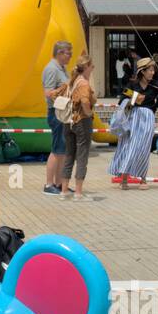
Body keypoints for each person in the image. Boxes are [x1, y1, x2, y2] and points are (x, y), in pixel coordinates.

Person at [108, 56, 158, 189]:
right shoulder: (132, 85)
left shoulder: (156, 86)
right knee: (128, 146)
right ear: (143, 71)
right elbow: (122, 102)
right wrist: (136, 98)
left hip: (148, 118)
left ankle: (143, 179)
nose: (153, 73)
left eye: (153, 70)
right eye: (150, 70)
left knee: (144, 148)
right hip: (133, 118)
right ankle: (123, 179)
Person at [60, 53, 95, 200]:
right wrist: (89, 113)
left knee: (69, 155)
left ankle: (64, 190)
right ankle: (79, 193)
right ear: (86, 67)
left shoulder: (71, 82)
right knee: (82, 156)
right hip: (82, 121)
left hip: (68, 122)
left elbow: (55, 95)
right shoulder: (84, 84)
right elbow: (85, 101)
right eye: (91, 66)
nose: (93, 68)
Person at [41, 40, 72, 193]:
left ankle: (59, 184)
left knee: (62, 150)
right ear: (59, 53)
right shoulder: (52, 69)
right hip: (56, 112)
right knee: (56, 149)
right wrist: (65, 87)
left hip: (63, 112)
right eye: (68, 53)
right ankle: (48, 184)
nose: (70, 56)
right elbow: (48, 93)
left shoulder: (62, 68)